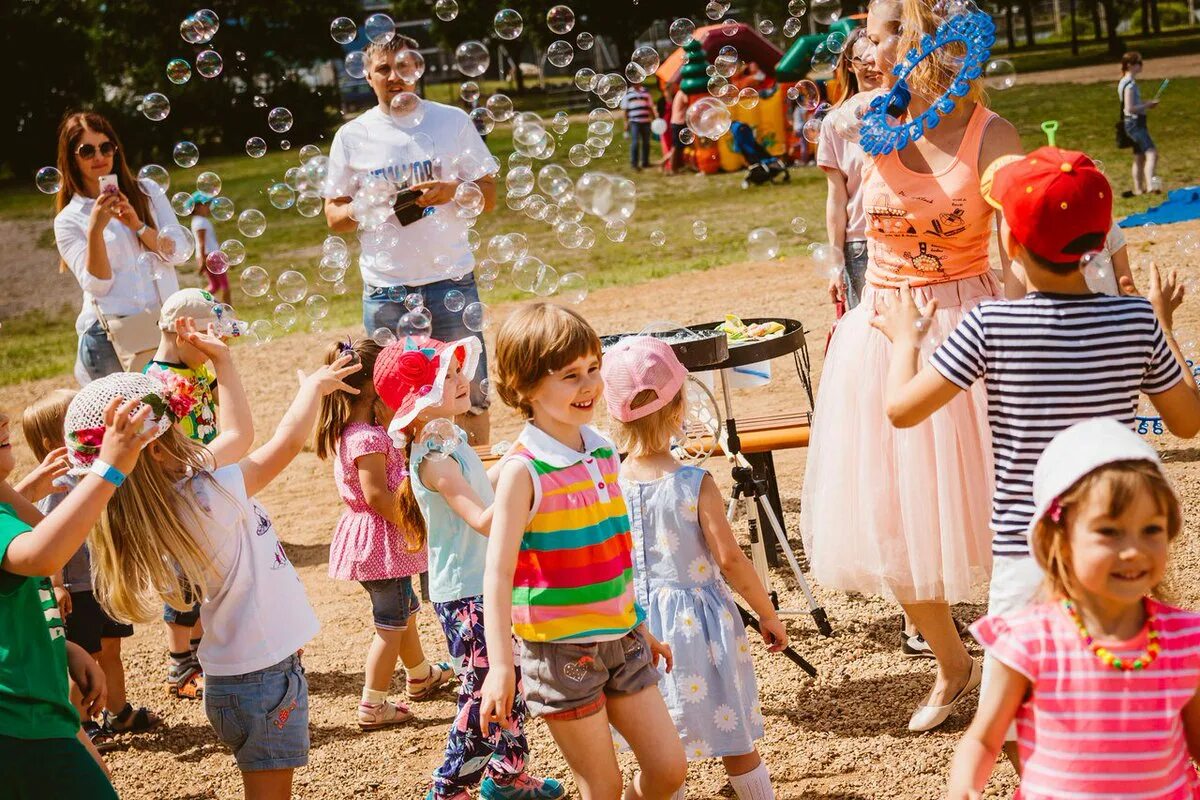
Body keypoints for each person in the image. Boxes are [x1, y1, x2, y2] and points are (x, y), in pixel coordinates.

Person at [873, 145, 1200, 757]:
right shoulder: (1134, 321)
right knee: (1123, 709)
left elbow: (901, 409)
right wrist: (1162, 324)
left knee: (1032, 724)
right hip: (1115, 541)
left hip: (1029, 548)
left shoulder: (988, 326)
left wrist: (903, 339)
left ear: (1011, 246)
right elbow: (1187, 422)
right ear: (1099, 243)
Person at [800, 0, 1024, 733]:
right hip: (883, 332)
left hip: (971, 330)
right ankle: (954, 664)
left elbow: (1018, 262)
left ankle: (1023, 664)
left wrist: (1037, 339)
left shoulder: (994, 136)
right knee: (892, 521)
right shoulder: (863, 126)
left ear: (932, 38)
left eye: (886, 29)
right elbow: (844, 214)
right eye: (869, 32)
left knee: (1007, 518)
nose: (868, 46)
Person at [74, 335, 357, 799]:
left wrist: (223, 361)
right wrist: (313, 391)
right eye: (176, 427)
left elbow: (237, 437)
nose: (188, 431)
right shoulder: (207, 495)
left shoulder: (174, 495)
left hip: (241, 676)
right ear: (160, 451)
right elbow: (283, 445)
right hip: (263, 681)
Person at [480, 303, 687, 800]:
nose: (588, 385)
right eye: (569, 375)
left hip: (623, 639)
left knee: (669, 769)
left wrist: (637, 622)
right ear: (524, 386)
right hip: (558, 652)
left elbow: (610, 551)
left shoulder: (601, 450)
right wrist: (501, 665)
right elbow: (497, 573)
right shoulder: (522, 471)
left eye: (593, 368)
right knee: (603, 786)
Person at [947, 418, 1200, 798]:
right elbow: (985, 739)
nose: (1133, 550)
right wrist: (965, 786)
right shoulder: (1032, 640)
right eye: (1109, 532)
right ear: (1060, 540)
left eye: (1151, 530)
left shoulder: (1184, 640)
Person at [376, 336, 564, 800]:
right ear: (417, 405)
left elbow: (486, 483)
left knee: (511, 682)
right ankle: (449, 787)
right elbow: (482, 518)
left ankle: (507, 775)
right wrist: (528, 494)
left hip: (485, 588)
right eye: (448, 377)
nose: (463, 381)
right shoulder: (434, 461)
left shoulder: (450, 438)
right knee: (485, 694)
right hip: (466, 595)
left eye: (460, 372)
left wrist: (525, 460)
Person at [602, 337, 788, 800]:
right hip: (697, 631)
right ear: (679, 406)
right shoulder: (695, 483)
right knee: (737, 740)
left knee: (657, 751)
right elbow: (730, 559)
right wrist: (767, 612)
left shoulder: (607, 485)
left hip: (634, 630)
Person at [323, 33, 496, 447]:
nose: (394, 77)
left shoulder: (451, 121)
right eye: (384, 68)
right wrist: (366, 205)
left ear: (417, 70)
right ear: (367, 75)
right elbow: (334, 217)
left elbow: (488, 196)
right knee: (396, 404)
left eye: (403, 67)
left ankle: (479, 491)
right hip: (387, 290)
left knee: (471, 397)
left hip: (451, 279)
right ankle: (413, 501)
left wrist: (452, 190)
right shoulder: (352, 135)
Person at [0, 395, 156, 798]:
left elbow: (45, 534)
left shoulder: (5, 501)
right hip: (20, 725)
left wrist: (62, 647)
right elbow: (43, 553)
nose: (4, 414)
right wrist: (109, 469)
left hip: (40, 719)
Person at [314, 336, 454, 732]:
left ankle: (421, 675)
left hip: (381, 541)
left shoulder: (361, 430)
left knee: (403, 612)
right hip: (381, 541)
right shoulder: (368, 438)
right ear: (375, 388)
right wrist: (414, 522)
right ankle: (372, 704)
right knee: (390, 625)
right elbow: (376, 495)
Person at [145, 292, 238, 702]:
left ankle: (203, 653)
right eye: (209, 336)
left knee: (205, 571)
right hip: (175, 493)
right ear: (184, 332)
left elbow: (219, 405)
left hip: (204, 480)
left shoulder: (196, 366)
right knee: (181, 579)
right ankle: (179, 661)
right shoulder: (156, 383)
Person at [53, 111, 180, 385]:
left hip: (163, 325)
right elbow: (97, 285)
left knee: (173, 419)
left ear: (115, 149)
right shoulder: (68, 219)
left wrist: (137, 225)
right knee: (131, 425)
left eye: (105, 147)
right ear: (72, 159)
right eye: (87, 150)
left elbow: (177, 252)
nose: (99, 156)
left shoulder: (146, 192)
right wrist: (95, 229)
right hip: (109, 338)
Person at [821, 27, 885, 311]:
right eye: (862, 60)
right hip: (861, 244)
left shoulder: (911, 115)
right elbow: (836, 198)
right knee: (868, 329)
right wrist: (836, 263)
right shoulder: (834, 123)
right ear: (849, 65)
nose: (872, 67)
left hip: (908, 233)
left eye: (876, 58)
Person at [1118, 51, 1161, 198]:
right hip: (1135, 123)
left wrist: (1144, 104)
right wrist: (1147, 105)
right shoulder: (1129, 85)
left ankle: (1138, 189)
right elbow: (1129, 108)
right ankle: (1151, 186)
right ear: (1130, 65)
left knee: (1139, 156)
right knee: (1152, 153)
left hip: (1132, 123)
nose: (1141, 66)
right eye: (1138, 63)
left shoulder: (1124, 82)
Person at [190, 194, 231, 306]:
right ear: (197, 207)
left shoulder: (198, 220)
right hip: (211, 256)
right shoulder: (200, 222)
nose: (209, 207)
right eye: (206, 205)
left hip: (208, 255)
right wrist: (203, 260)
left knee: (215, 285)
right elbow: (202, 242)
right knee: (224, 285)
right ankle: (229, 311)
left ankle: (197, 302)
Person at [621, 80, 657, 171]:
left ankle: (645, 162)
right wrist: (626, 126)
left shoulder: (645, 92)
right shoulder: (628, 94)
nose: (636, 84)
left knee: (646, 142)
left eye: (637, 81)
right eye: (634, 82)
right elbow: (625, 112)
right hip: (634, 122)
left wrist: (655, 120)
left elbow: (650, 107)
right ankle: (634, 164)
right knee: (635, 143)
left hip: (646, 121)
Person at [669, 81, 690, 175]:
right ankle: (673, 168)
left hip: (676, 122)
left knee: (679, 146)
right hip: (679, 122)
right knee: (676, 146)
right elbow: (689, 101)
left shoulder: (679, 93)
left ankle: (678, 166)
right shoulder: (683, 93)